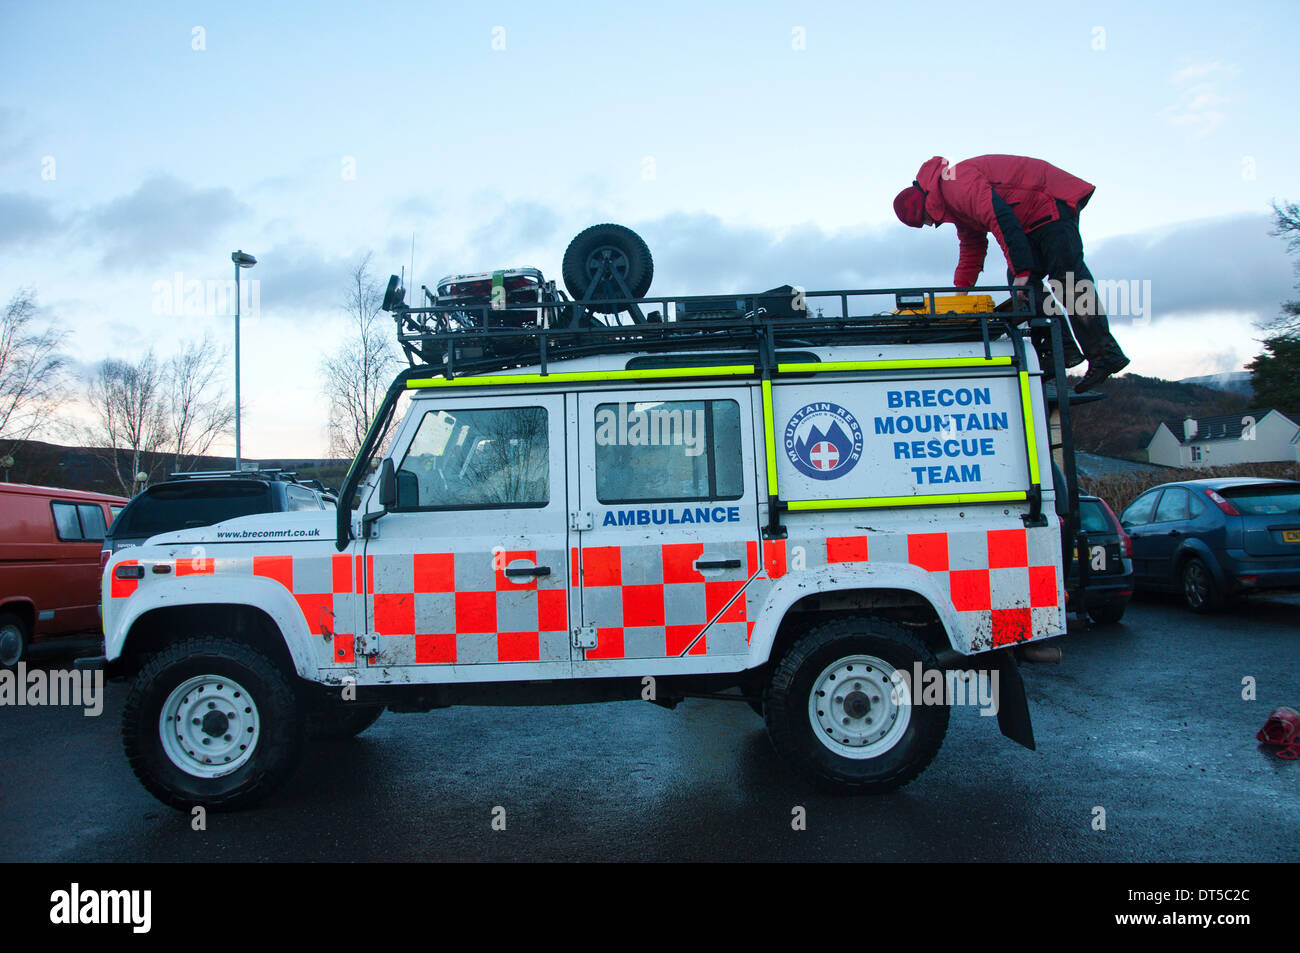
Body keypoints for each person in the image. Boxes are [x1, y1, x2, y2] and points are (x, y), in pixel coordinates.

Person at [893, 154, 1130, 392]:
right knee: (1023, 288)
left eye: (923, 220)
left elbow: (1000, 217)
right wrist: (960, 294)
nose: (928, 224)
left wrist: (1023, 270)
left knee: (1066, 280)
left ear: (922, 205)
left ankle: (1104, 353)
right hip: (1030, 217)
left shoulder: (956, 183)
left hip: (1047, 200)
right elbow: (972, 247)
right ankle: (1062, 347)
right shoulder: (953, 202)